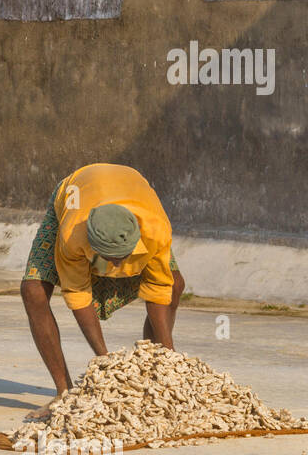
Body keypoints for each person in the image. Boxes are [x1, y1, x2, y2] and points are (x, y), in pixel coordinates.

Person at [19, 162, 186, 402]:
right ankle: (63, 392)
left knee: (175, 284)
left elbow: (158, 291)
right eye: (109, 259)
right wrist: (106, 363)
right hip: (74, 192)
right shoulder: (72, 234)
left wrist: (172, 362)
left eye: (122, 258)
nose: (116, 267)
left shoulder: (156, 230)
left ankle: (156, 375)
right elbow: (78, 296)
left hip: (132, 189)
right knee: (33, 290)